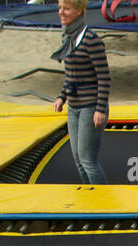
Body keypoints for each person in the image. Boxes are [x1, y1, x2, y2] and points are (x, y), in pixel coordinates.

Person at [52, 0, 110, 184]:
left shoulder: (91, 40)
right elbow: (71, 76)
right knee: (78, 160)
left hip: (90, 107)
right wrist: (62, 97)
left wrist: (100, 109)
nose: (61, 12)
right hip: (74, 107)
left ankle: (103, 203)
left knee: (88, 160)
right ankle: (90, 198)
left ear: (78, 11)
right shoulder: (67, 38)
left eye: (66, 9)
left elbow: (104, 77)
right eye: (60, 8)